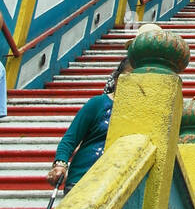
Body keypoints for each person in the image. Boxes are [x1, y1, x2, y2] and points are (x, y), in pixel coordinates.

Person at [46, 57, 133, 194]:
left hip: (118, 181)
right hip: (83, 177)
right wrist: (60, 164)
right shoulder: (98, 103)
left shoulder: (142, 111)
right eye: (128, 77)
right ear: (117, 79)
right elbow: (70, 139)